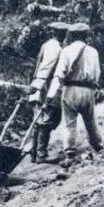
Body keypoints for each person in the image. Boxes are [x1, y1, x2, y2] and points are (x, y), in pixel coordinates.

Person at [49, 23, 103, 162]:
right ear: (86, 35)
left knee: (69, 122)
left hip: (71, 89)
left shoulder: (66, 51)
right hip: (88, 89)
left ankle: (70, 151)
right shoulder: (93, 51)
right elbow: (97, 74)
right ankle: (97, 145)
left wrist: (51, 94)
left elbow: (59, 74)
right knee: (90, 120)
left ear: (72, 35)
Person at [26, 22, 66, 163]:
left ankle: (34, 153)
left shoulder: (47, 44)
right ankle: (41, 155)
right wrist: (37, 85)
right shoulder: (55, 48)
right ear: (61, 34)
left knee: (38, 121)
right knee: (46, 121)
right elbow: (46, 68)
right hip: (45, 88)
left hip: (39, 87)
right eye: (64, 33)